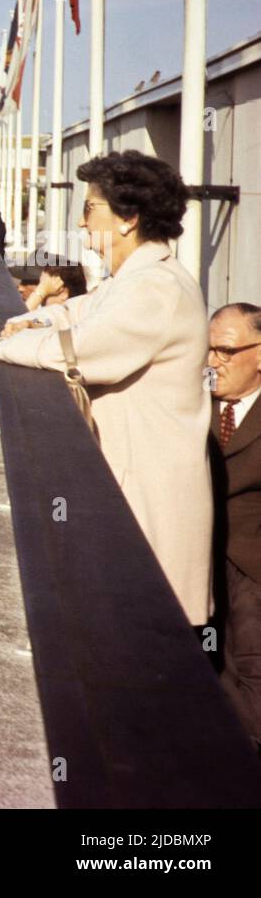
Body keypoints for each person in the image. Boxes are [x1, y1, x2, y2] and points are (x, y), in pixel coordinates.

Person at [0, 150, 211, 627]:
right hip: (132, 484)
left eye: (91, 208)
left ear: (128, 219)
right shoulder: (139, 279)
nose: (81, 220)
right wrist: (33, 319)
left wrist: (6, 346)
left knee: (141, 649)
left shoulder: (157, 288)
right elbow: (79, 312)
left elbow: (80, 350)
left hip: (151, 497)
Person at [206, 302, 261, 749]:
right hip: (197, 568)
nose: (213, 363)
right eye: (209, 351)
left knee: (253, 680)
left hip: (253, 573)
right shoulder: (193, 403)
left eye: (225, 352)